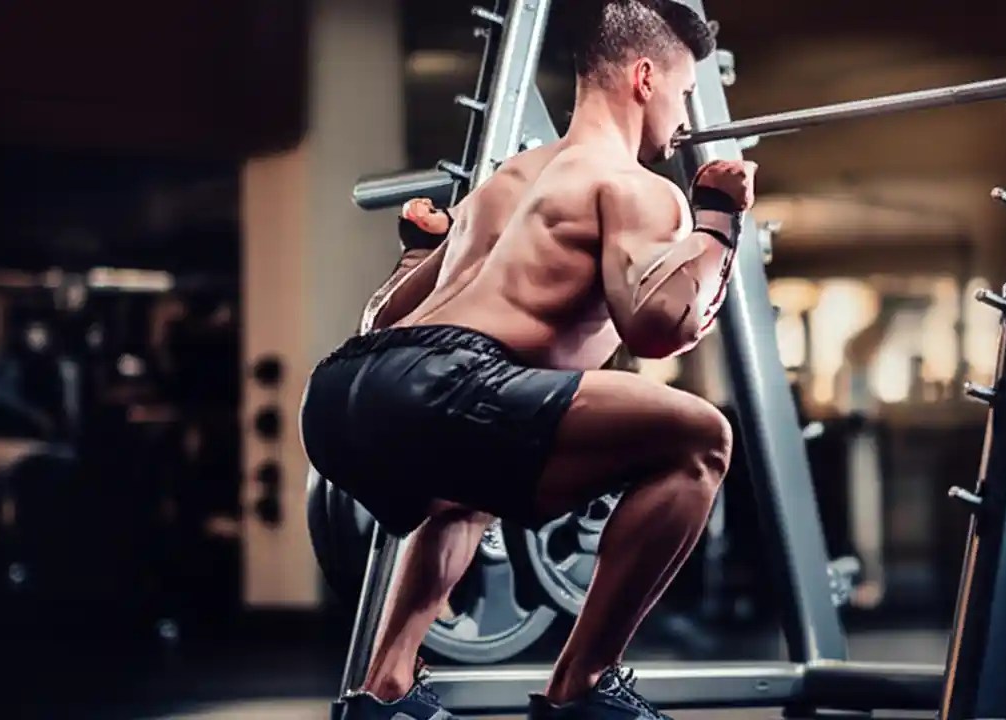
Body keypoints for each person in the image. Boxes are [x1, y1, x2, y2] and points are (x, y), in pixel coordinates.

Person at [299, 1, 757, 718]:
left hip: (340, 397)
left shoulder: (503, 185)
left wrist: (419, 252)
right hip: (448, 383)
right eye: (685, 89)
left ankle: (383, 692)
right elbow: (660, 326)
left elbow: (384, 320)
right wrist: (718, 222)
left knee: (472, 485)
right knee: (702, 440)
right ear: (644, 77)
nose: (687, 113)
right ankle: (585, 688)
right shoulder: (635, 187)